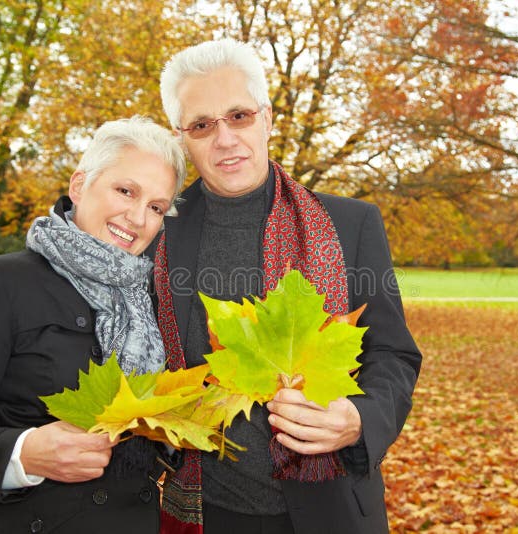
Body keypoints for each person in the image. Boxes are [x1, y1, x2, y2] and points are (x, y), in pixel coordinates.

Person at [152, 39, 422, 534]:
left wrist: (360, 420)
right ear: (181, 138)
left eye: (239, 115)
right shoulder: (157, 235)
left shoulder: (350, 225)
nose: (225, 139)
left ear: (267, 118)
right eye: (202, 125)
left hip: (332, 511)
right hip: (205, 512)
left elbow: (394, 355)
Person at [0, 115, 186, 533]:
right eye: (125, 191)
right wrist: (23, 455)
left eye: (155, 207)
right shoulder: (3, 282)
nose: (137, 217)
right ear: (79, 186)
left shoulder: (152, 301)